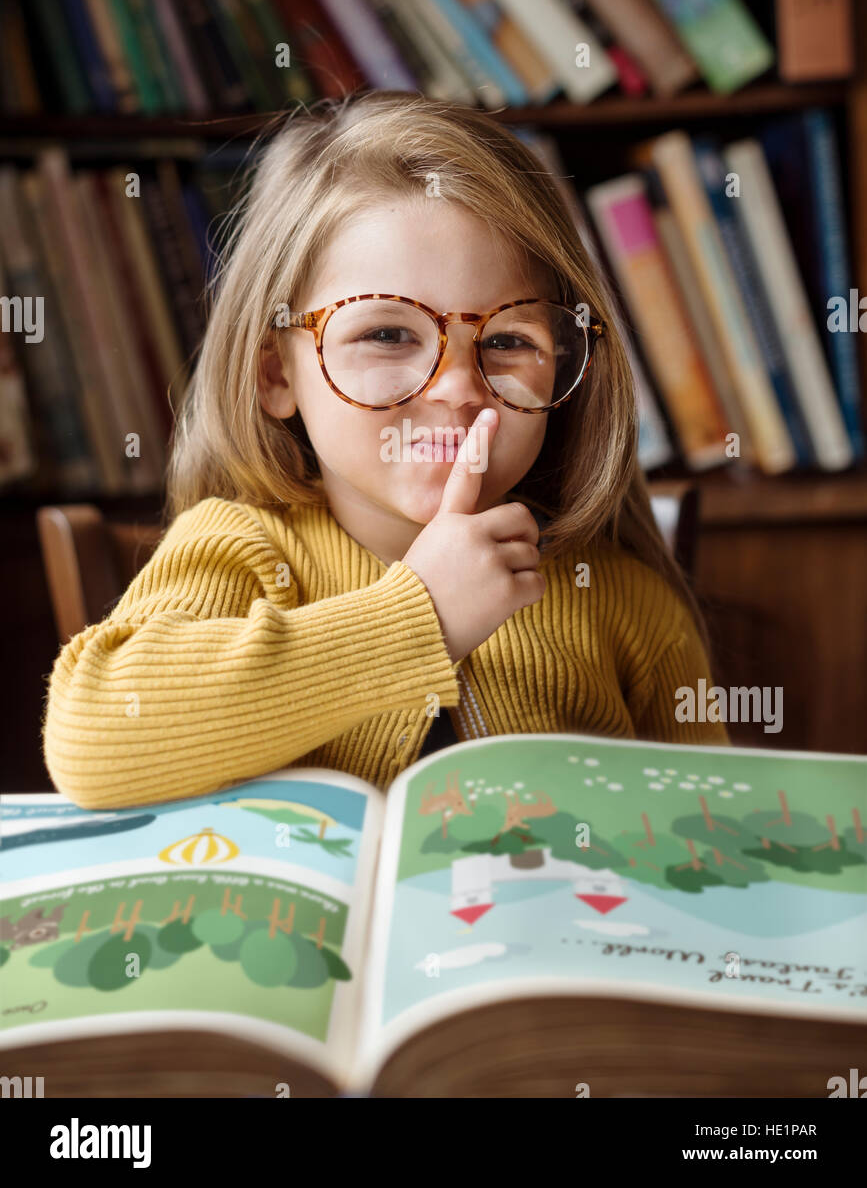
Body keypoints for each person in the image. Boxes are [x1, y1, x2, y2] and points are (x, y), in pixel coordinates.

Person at [42, 91, 729, 810]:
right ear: (276, 374)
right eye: (388, 335)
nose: (458, 386)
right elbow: (95, 742)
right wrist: (418, 619)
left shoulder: (626, 603)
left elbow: (705, 845)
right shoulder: (239, 550)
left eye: (505, 342)